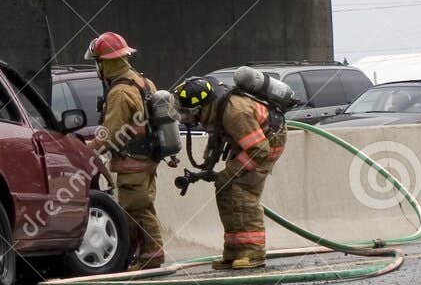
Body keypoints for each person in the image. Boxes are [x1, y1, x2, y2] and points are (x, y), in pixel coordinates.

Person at [175, 74, 287, 271]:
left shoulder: (235, 113)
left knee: (242, 194)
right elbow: (219, 136)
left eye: (187, 113)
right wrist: (209, 166)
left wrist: (230, 172)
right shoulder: (217, 108)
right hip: (250, 145)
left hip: (268, 144)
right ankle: (234, 252)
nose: (186, 118)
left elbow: (260, 150)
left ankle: (253, 253)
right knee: (225, 191)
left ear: (199, 107)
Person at [85, 31, 170, 270]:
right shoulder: (142, 81)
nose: (97, 67)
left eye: (98, 62)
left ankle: (151, 255)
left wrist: (88, 148)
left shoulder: (120, 92)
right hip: (147, 158)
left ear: (106, 63)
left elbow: (110, 133)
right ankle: (144, 255)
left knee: (135, 210)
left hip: (132, 160)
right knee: (142, 206)